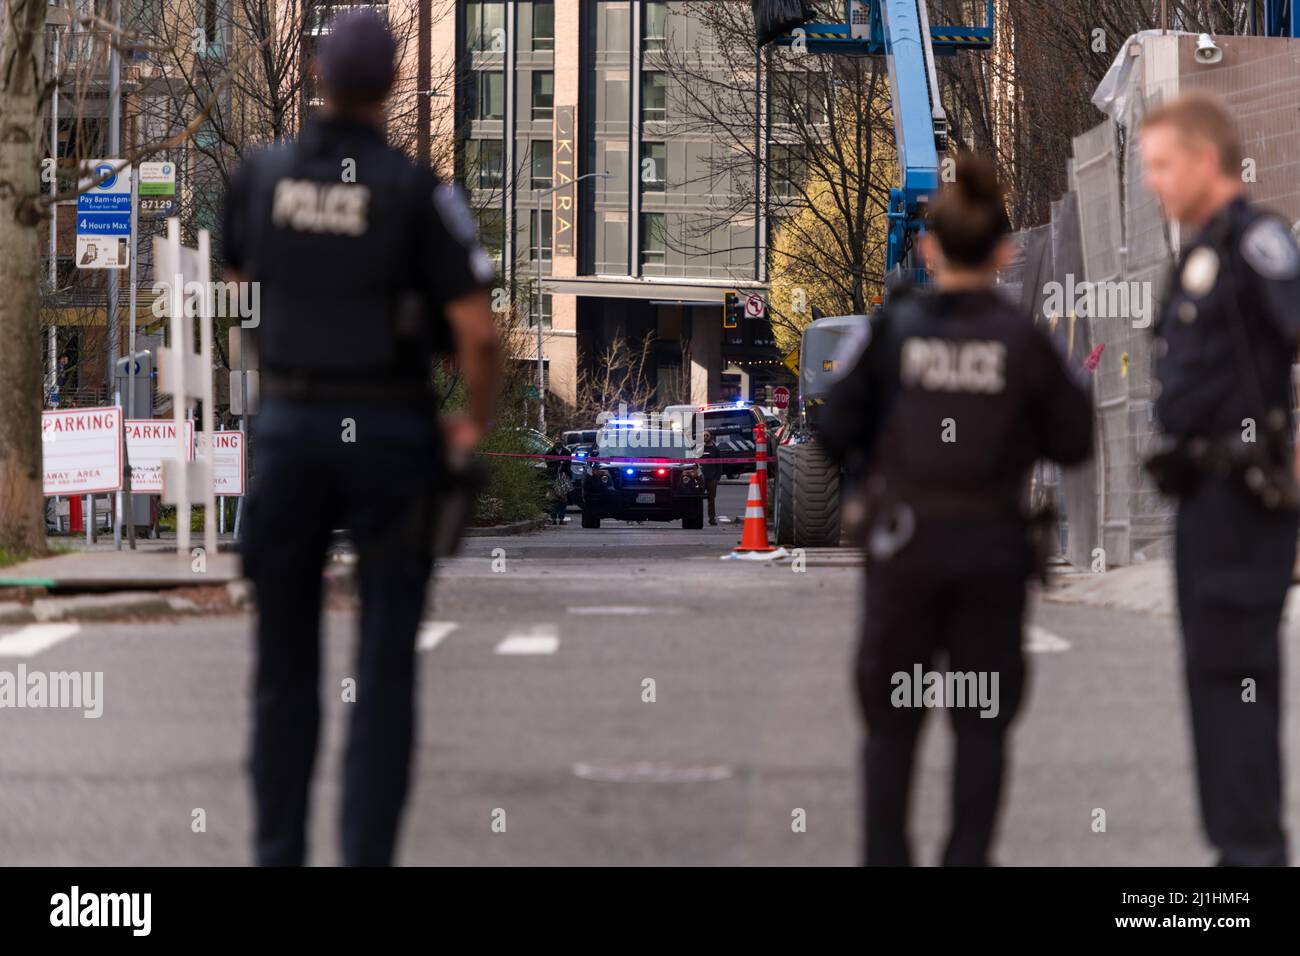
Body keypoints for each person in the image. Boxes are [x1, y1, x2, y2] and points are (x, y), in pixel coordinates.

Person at [222, 9, 501, 866]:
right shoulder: (419, 193)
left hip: (291, 426)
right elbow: (479, 335)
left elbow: (238, 276)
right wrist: (470, 424)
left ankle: (277, 852)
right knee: (384, 665)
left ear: (313, 77)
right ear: (390, 86)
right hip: (389, 431)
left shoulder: (260, 177)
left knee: (282, 668)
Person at [820, 156, 1094, 866]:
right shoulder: (1023, 343)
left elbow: (830, 428)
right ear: (1004, 253)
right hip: (993, 556)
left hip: (904, 551)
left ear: (928, 247)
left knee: (891, 729)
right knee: (982, 727)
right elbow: (1075, 438)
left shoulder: (891, 334)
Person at [1139, 93, 1300, 866]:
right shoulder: (1200, 250)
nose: (1153, 183)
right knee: (1211, 678)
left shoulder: (1258, 241)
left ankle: (1252, 859)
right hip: (1203, 502)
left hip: (1246, 502)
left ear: (1207, 161)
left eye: (1163, 166)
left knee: (1237, 676)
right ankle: (1234, 857)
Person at [699, 429, 721, 525]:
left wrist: (717, 477)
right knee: (698, 499)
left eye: (707, 435)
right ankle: (697, 518)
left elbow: (719, 465)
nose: (705, 437)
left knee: (711, 500)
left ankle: (712, 519)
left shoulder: (715, 450)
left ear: (710, 436)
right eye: (703, 435)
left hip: (712, 479)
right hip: (700, 478)